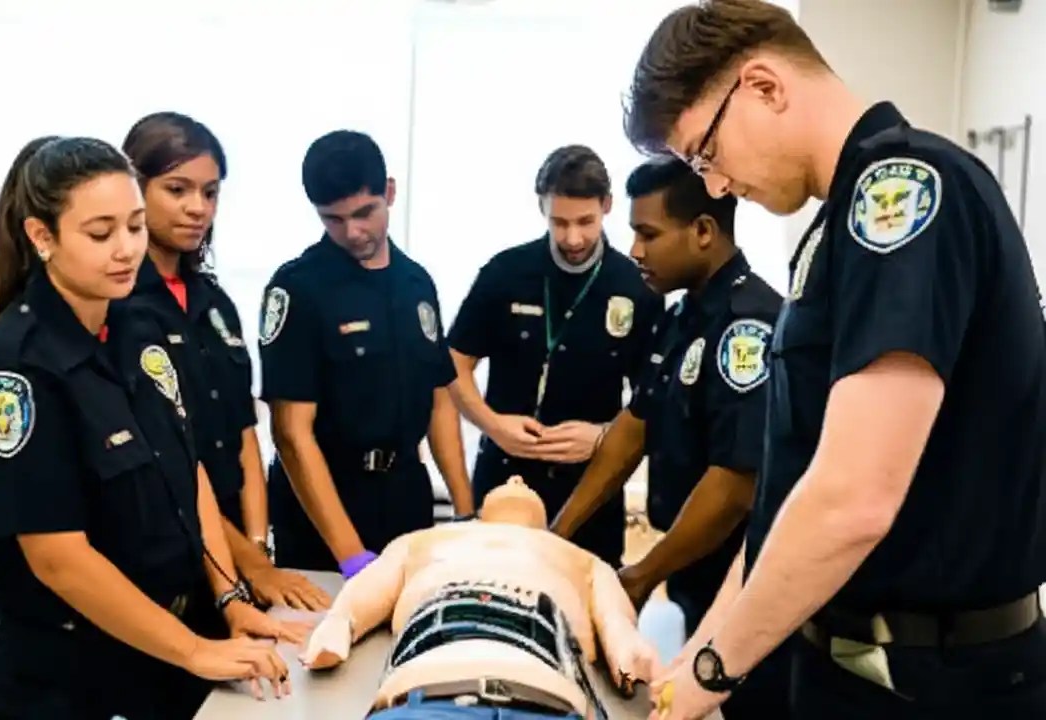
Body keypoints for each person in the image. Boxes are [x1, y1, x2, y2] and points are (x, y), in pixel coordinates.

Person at [624, 2, 1046, 718]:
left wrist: (709, 674)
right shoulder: (831, 232)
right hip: (842, 666)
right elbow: (787, 500)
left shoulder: (903, 195)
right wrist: (694, 666)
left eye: (706, 153)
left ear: (763, 86)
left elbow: (853, 499)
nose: (717, 185)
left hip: (928, 681)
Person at [0, 136, 295, 719]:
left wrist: (229, 597)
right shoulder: (14, 368)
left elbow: (189, 479)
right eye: (100, 233)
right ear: (42, 237)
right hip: (65, 672)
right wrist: (192, 650)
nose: (126, 249)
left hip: (163, 649)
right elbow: (59, 558)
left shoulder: (140, 332)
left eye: (135, 227)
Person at [549, 156, 784, 720]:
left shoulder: (745, 327)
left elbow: (734, 487)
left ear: (703, 231)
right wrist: (557, 536)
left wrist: (642, 573)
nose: (634, 250)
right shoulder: (683, 316)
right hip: (692, 568)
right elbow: (634, 430)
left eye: (648, 233)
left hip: (745, 575)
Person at [121, 111, 331, 611]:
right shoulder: (119, 307)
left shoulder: (213, 303)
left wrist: (258, 548)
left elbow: (243, 434)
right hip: (168, 552)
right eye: (177, 190)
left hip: (240, 551)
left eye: (210, 193)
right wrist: (249, 564)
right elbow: (168, 465)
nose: (198, 208)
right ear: (135, 189)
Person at [258, 129, 474, 578]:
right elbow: (292, 435)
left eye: (364, 213)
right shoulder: (298, 289)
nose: (353, 232)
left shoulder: (417, 284)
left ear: (389, 193)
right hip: (324, 511)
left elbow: (438, 401)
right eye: (333, 219)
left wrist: (465, 511)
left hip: (404, 499)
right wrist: (351, 554)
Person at [447, 145, 662, 568]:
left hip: (591, 491)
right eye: (558, 222)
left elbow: (653, 403)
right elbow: (453, 363)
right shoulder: (505, 272)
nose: (572, 238)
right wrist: (493, 425)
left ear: (607, 206)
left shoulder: (638, 287)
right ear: (541, 207)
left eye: (586, 222)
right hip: (503, 484)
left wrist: (603, 436)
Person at [299, 476, 663, 719]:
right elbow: (362, 592)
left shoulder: (577, 558)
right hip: (430, 698)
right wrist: (338, 626)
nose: (516, 478)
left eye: (523, 482)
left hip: (544, 700)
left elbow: (619, 628)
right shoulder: (423, 541)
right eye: (509, 478)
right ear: (476, 515)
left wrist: (628, 654)